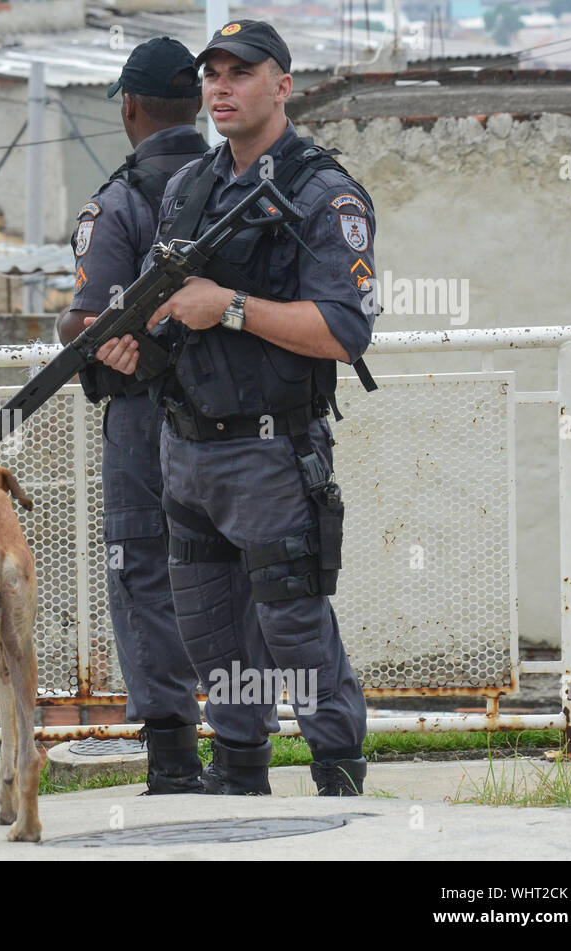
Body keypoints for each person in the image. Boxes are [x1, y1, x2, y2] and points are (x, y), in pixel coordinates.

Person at [94, 20, 378, 796]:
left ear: (282, 85)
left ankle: (339, 779)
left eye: (240, 72)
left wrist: (230, 307)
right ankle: (238, 779)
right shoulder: (190, 188)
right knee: (211, 633)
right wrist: (129, 346)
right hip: (185, 449)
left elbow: (344, 330)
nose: (221, 86)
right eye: (211, 74)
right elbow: (164, 314)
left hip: (271, 451)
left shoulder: (324, 192)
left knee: (294, 628)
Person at [56, 36, 251, 795]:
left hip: (144, 424)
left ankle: (172, 761)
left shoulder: (120, 201)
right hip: (235, 417)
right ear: (197, 101)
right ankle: (243, 759)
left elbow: (88, 323)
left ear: (130, 107)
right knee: (235, 577)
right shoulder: (232, 184)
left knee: (145, 575)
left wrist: (81, 333)